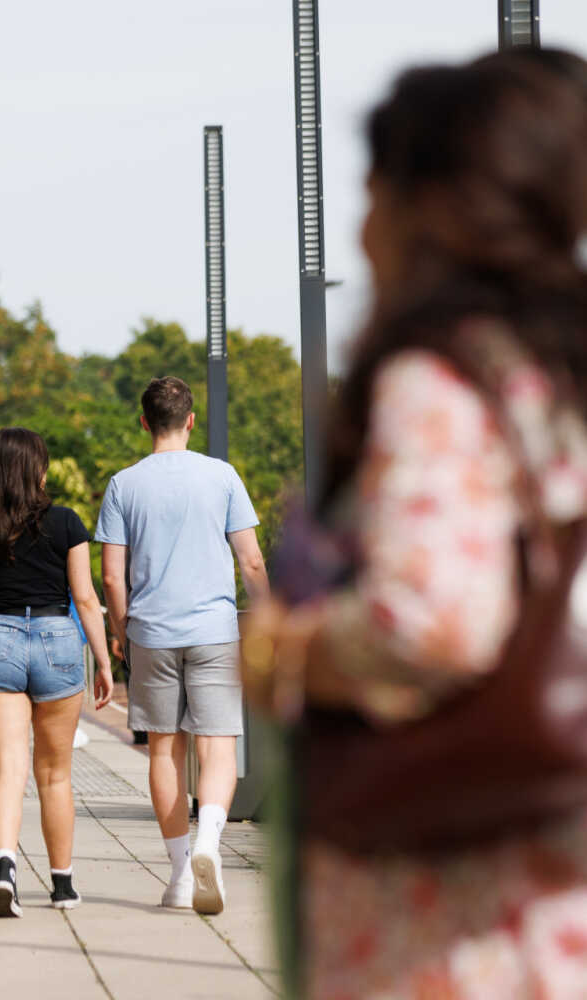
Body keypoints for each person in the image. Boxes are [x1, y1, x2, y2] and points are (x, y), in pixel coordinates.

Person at [243, 53, 587, 999]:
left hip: (453, 920)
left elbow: (431, 615)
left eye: (373, 193)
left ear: (430, 207)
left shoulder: (440, 382)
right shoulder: (555, 379)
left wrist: (290, 654)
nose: (359, 228)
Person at [97, 375, 268, 915]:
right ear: (190, 420)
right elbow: (252, 561)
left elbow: (111, 577)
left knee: (164, 751)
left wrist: (123, 633)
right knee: (218, 746)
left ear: (144, 421)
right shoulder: (222, 477)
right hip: (215, 630)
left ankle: (177, 874)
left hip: (151, 631)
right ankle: (212, 845)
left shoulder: (124, 484)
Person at [0, 428, 115, 917]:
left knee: (7, 770)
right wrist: (105, 660)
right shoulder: (66, 522)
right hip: (56, 637)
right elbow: (86, 598)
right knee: (55, 775)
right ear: (36, 470)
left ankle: (5, 869)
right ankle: (63, 885)